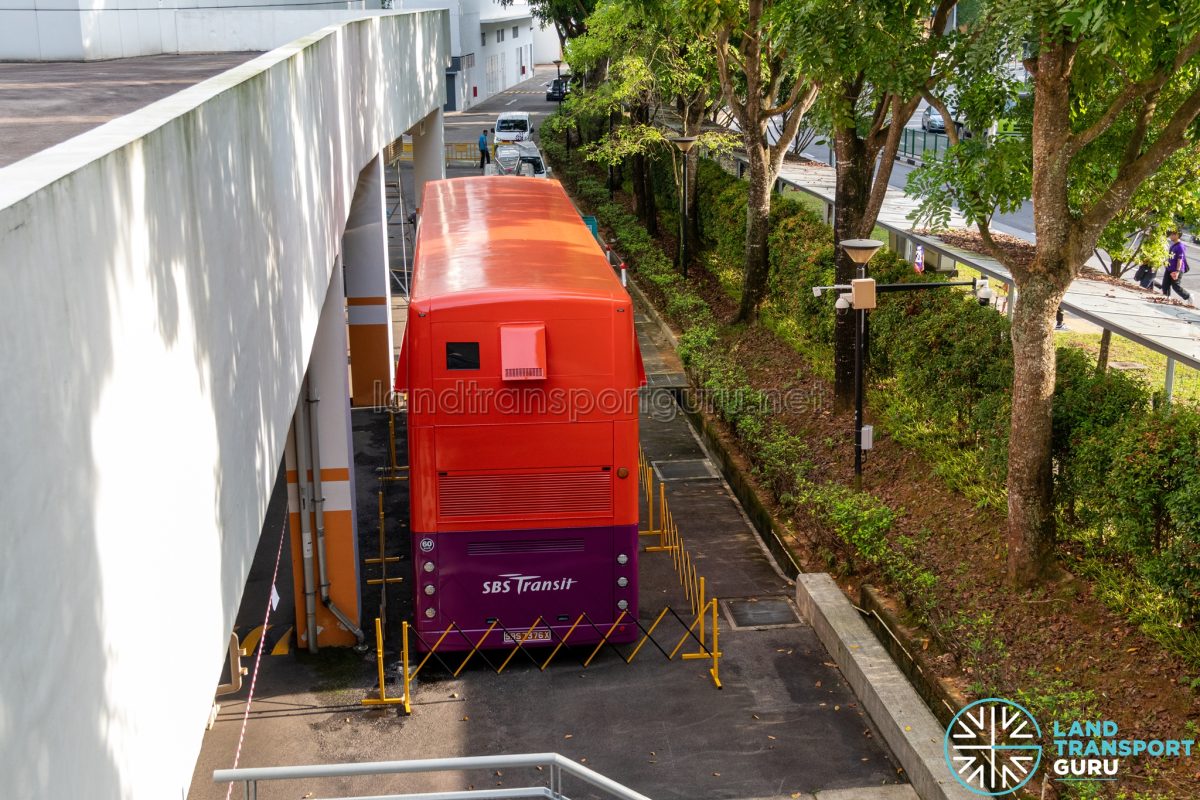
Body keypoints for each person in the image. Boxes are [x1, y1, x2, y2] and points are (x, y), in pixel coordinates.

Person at [1164, 230, 1191, 302]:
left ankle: (1188, 296)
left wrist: (1177, 271)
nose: (1170, 236)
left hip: (1176, 270)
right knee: (1165, 285)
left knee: (1175, 286)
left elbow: (1180, 260)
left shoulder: (1180, 246)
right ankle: (1167, 298)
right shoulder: (1173, 245)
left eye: (1172, 235)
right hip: (1169, 268)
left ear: (1177, 235)